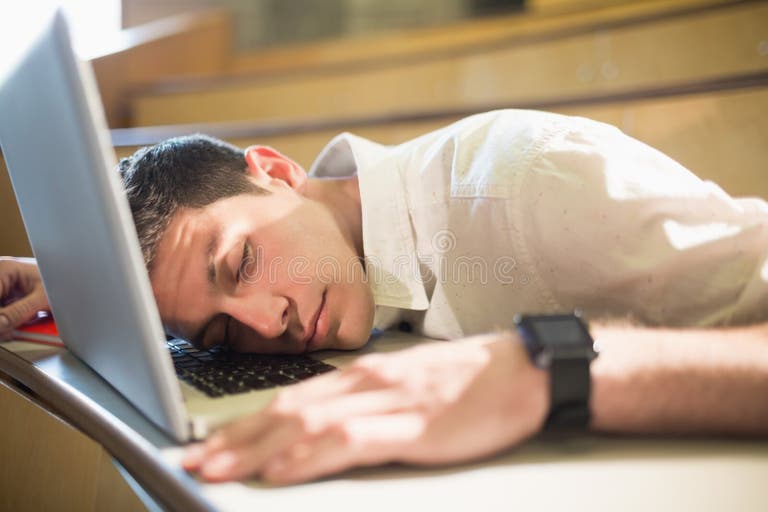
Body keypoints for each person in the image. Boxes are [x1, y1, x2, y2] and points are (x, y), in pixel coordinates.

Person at [1, 109, 767, 484]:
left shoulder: (535, 185)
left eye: (239, 264)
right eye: (220, 339)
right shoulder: (348, 252)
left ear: (272, 167)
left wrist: (546, 368)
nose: (271, 322)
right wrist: (80, 287)